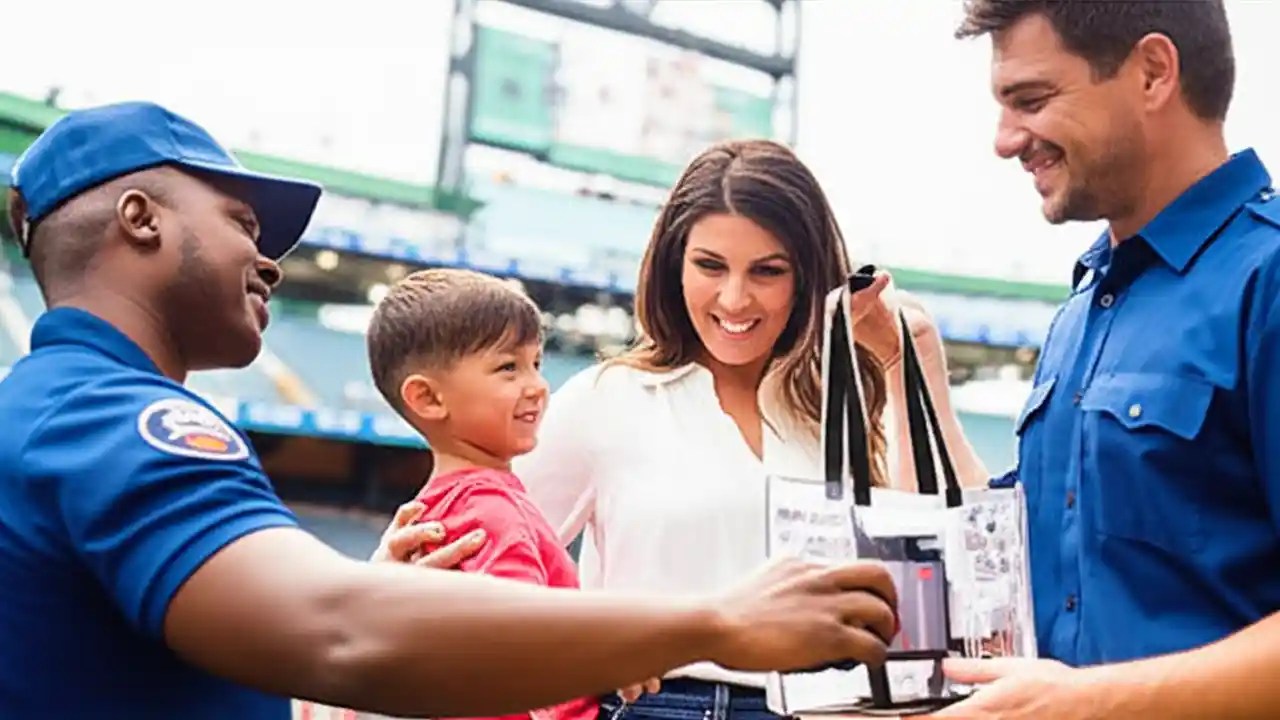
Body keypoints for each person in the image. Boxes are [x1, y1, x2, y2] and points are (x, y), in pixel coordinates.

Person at [0, 101, 905, 719]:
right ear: (140, 219)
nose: (269, 259)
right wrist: (715, 622)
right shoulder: (113, 423)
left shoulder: (64, 411)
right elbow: (339, 629)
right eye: (242, 221)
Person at [381, 139, 990, 720]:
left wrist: (912, 361)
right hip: (666, 705)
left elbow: (962, 553)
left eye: (767, 271)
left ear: (806, 275)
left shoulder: (846, 411)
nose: (733, 297)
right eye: (710, 265)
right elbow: (477, 555)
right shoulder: (607, 401)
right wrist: (391, 574)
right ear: (674, 265)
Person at [914, 1, 1280, 717]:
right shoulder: (1080, 313)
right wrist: (914, 377)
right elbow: (1013, 555)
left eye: (1032, 99)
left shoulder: (1267, 283)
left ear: (1151, 73)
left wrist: (1087, 704)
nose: (1005, 139)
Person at [365, 267, 661, 720]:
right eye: (508, 368)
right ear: (427, 398)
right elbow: (519, 630)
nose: (537, 386)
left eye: (536, 364)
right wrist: (611, 646)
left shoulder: (435, 507)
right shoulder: (491, 507)